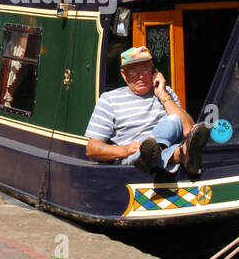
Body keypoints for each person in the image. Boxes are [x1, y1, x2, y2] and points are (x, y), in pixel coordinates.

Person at [85, 45, 210, 176]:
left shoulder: (167, 94)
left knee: (173, 121)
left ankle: (181, 154)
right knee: (147, 150)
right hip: (134, 155)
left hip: (161, 153)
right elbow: (92, 149)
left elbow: (188, 129)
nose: (140, 76)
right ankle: (164, 153)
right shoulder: (109, 100)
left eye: (145, 70)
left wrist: (162, 95)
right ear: (124, 74)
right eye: (133, 72)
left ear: (154, 72)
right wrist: (125, 150)